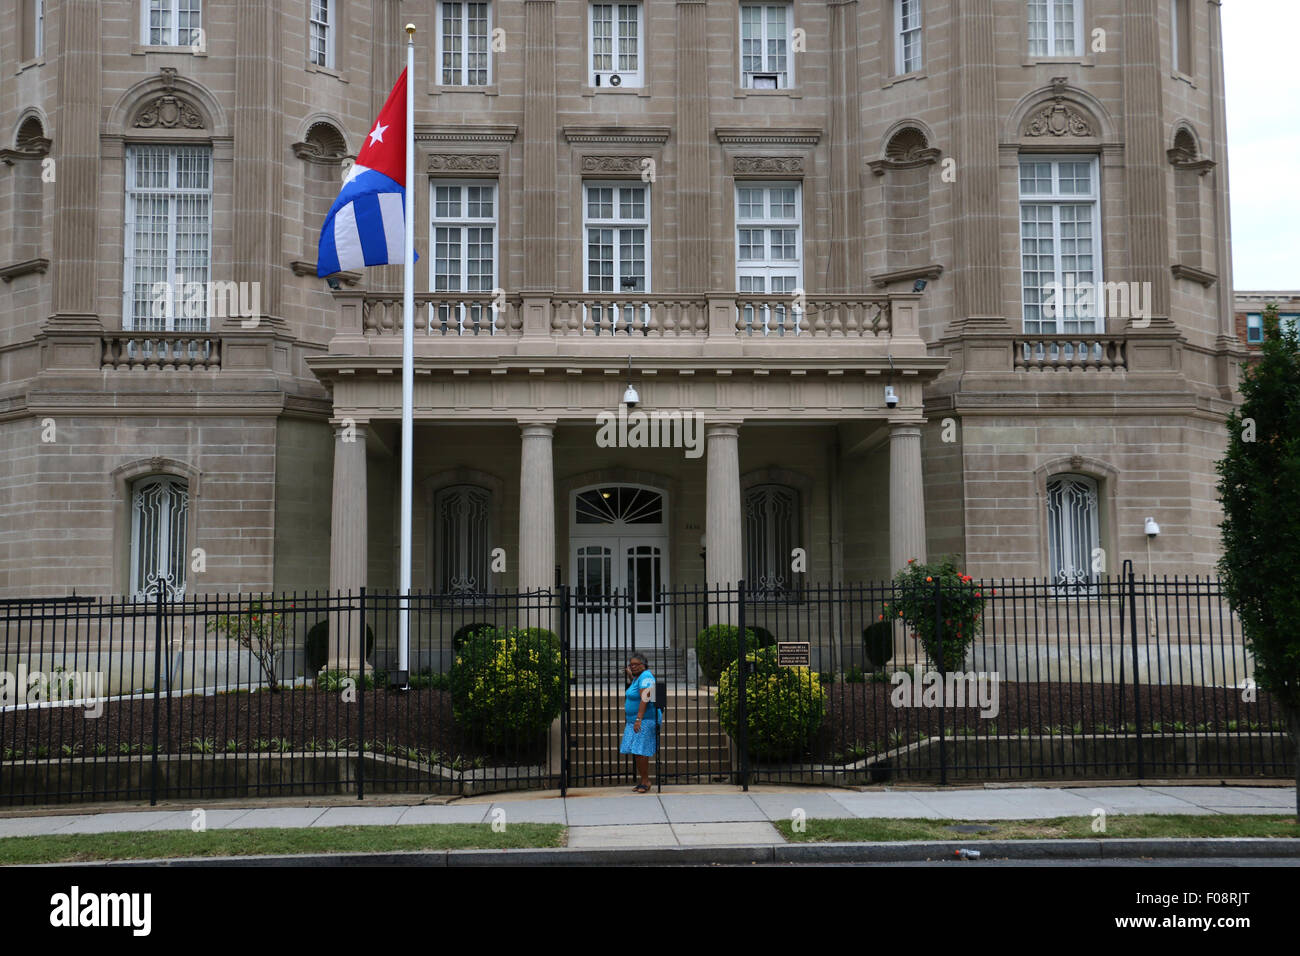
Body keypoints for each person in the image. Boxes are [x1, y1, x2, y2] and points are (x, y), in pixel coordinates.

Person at [619, 652, 657, 792]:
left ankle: (646, 781)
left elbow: (645, 697)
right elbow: (636, 691)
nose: (633, 667)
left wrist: (638, 719)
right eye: (631, 665)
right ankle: (643, 780)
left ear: (644, 665)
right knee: (636, 750)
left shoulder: (646, 677)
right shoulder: (637, 678)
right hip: (634, 720)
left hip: (644, 720)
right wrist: (630, 675)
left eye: (636, 664)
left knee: (640, 750)